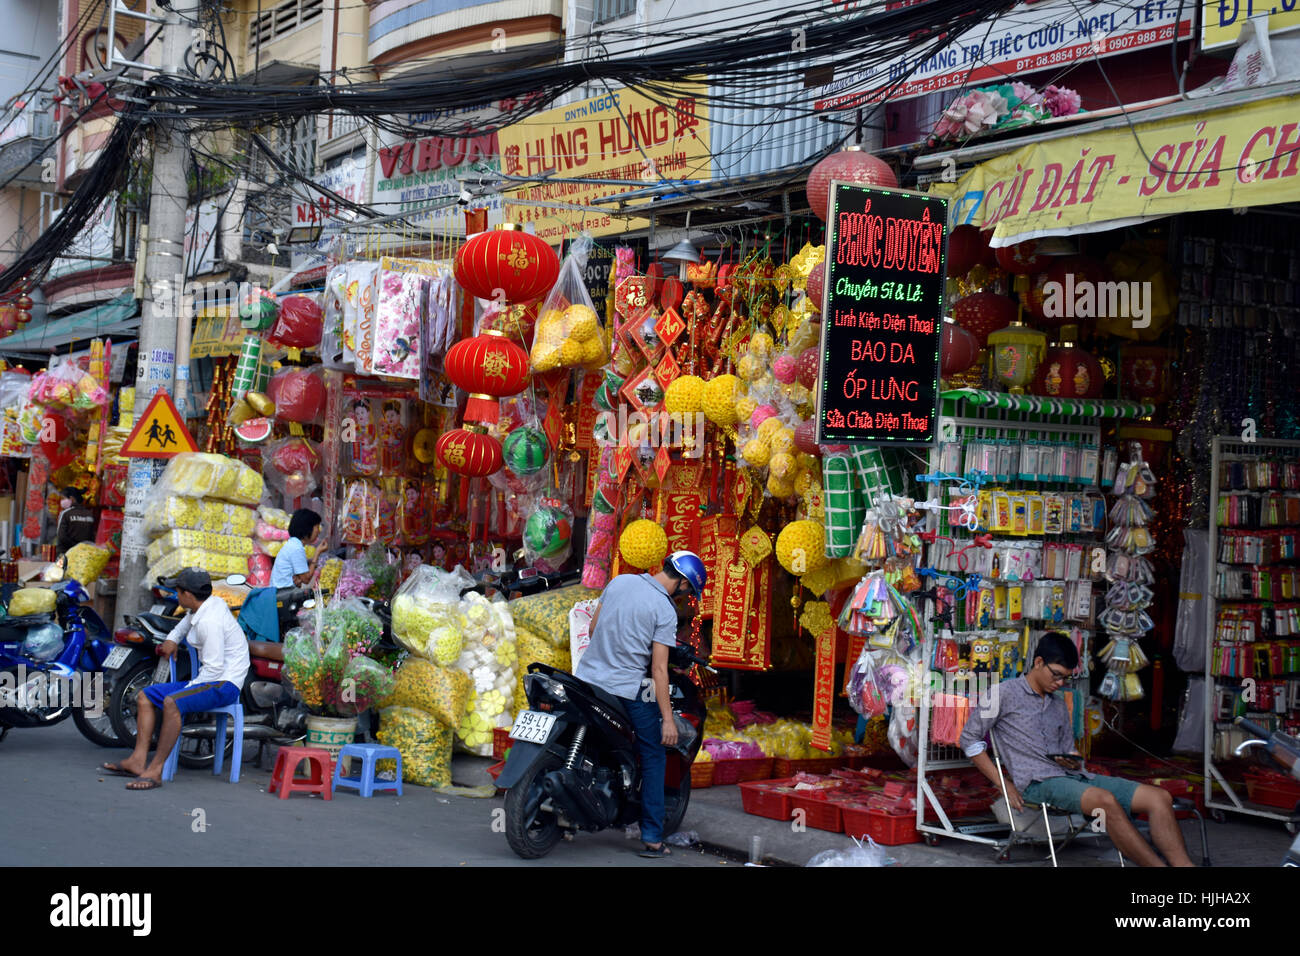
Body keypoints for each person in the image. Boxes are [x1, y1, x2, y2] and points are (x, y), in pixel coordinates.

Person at [959, 632, 1194, 867]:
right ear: (1038, 662)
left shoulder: (1059, 703)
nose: (1060, 683)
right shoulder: (1001, 694)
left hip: (1073, 776)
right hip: (1036, 782)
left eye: (1065, 678)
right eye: (1057, 675)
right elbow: (969, 739)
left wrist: (1071, 759)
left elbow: (1068, 748)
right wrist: (1003, 784)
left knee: (1159, 798)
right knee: (1106, 801)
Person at [576, 550, 707, 859]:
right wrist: (668, 720)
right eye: (688, 591)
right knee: (654, 752)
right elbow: (660, 670)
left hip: (586, 680)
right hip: (624, 690)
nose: (685, 596)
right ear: (684, 585)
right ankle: (651, 837)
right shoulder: (664, 609)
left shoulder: (620, 582)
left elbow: (593, 630)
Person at [102, 569, 250, 790]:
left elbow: (214, 669)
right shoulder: (205, 606)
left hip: (224, 684)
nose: (176, 595)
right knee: (145, 696)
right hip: (210, 679)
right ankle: (137, 760)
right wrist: (171, 640)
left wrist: (185, 691)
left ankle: (156, 770)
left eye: (178, 591)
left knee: (172, 702)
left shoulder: (210, 622)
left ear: (188, 595)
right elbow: (183, 624)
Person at [270, 508, 322, 589]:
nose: (319, 531)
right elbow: (306, 579)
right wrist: (317, 553)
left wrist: (298, 579)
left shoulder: (293, 544)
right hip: (283, 596)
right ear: (307, 528)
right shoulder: (296, 548)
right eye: (317, 527)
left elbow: (300, 578)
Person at [54, 487, 96, 553]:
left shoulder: (65, 513)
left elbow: (61, 536)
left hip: (66, 553)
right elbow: (92, 536)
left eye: (63, 498)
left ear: (71, 499)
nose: (61, 501)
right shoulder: (89, 514)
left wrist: (74, 546)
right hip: (84, 553)